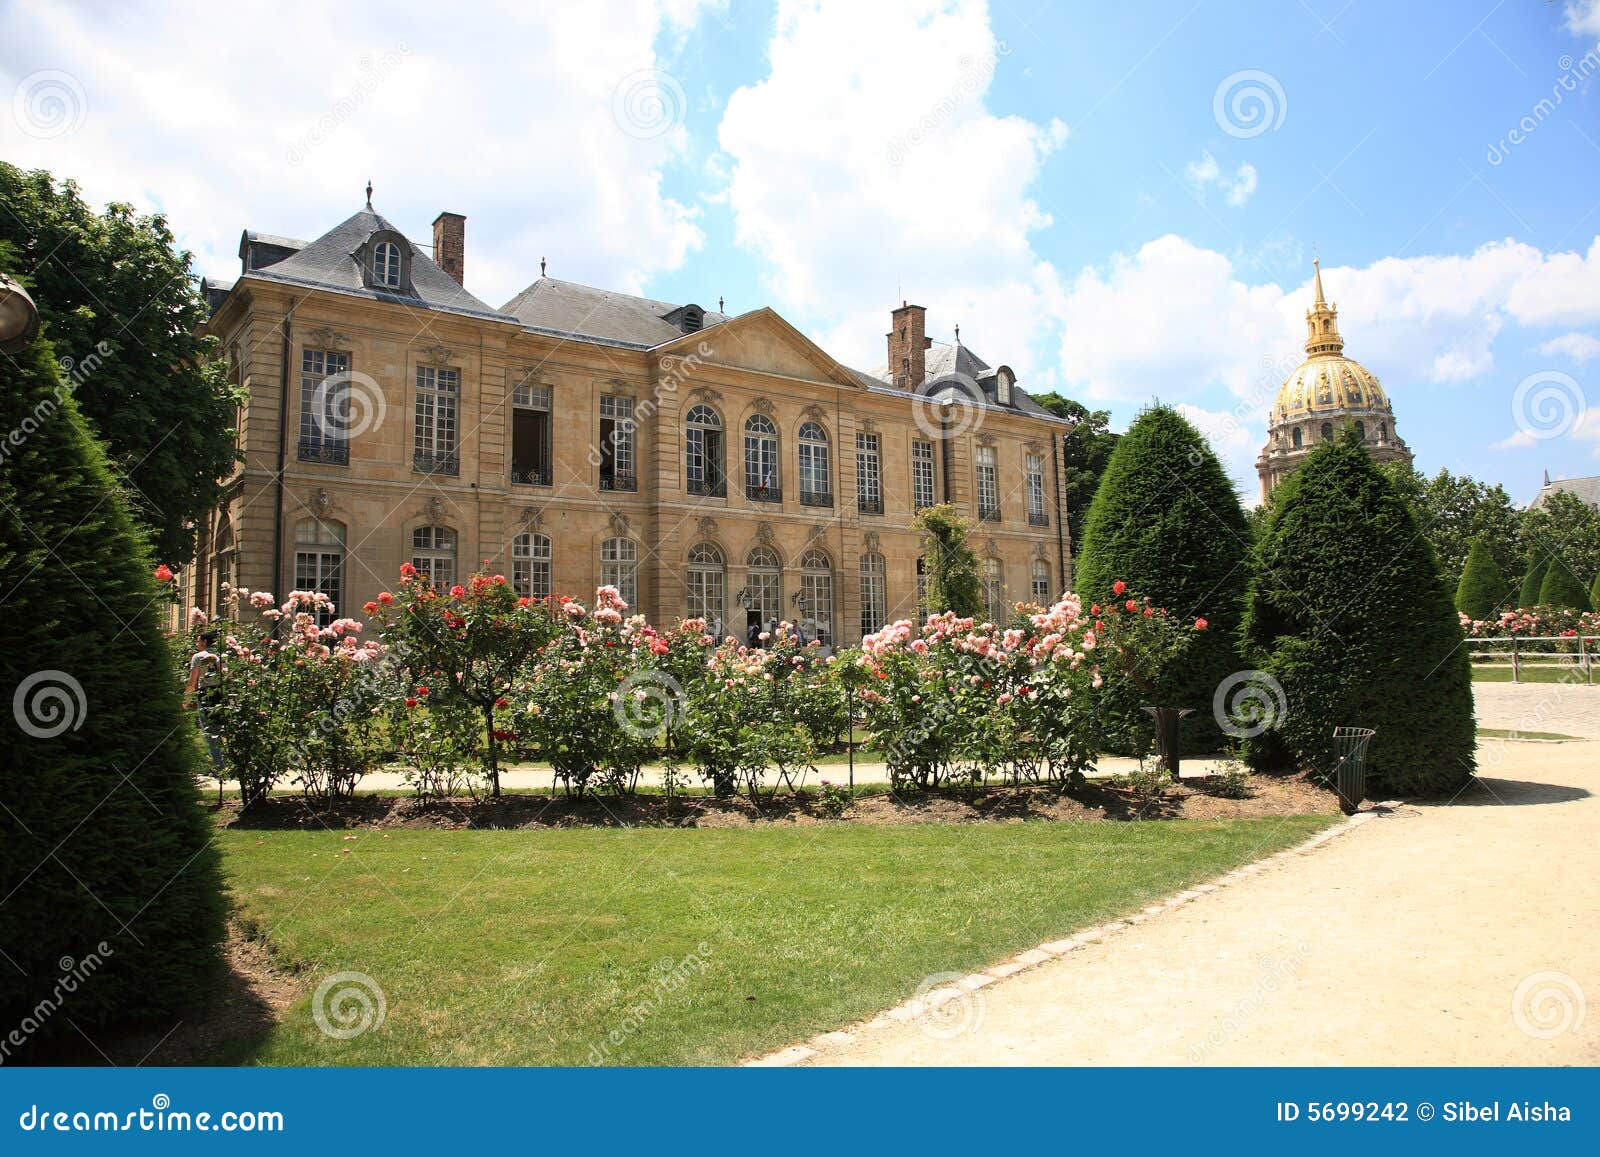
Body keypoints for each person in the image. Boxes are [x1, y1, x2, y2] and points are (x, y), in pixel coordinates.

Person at [184, 631, 224, 779]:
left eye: (198, 641)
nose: (196, 644)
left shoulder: (198, 657)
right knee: (220, 730)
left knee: (208, 730)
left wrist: (187, 698)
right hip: (221, 694)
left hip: (206, 694)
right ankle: (222, 765)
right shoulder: (222, 655)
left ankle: (218, 767)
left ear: (205, 642)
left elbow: (192, 681)